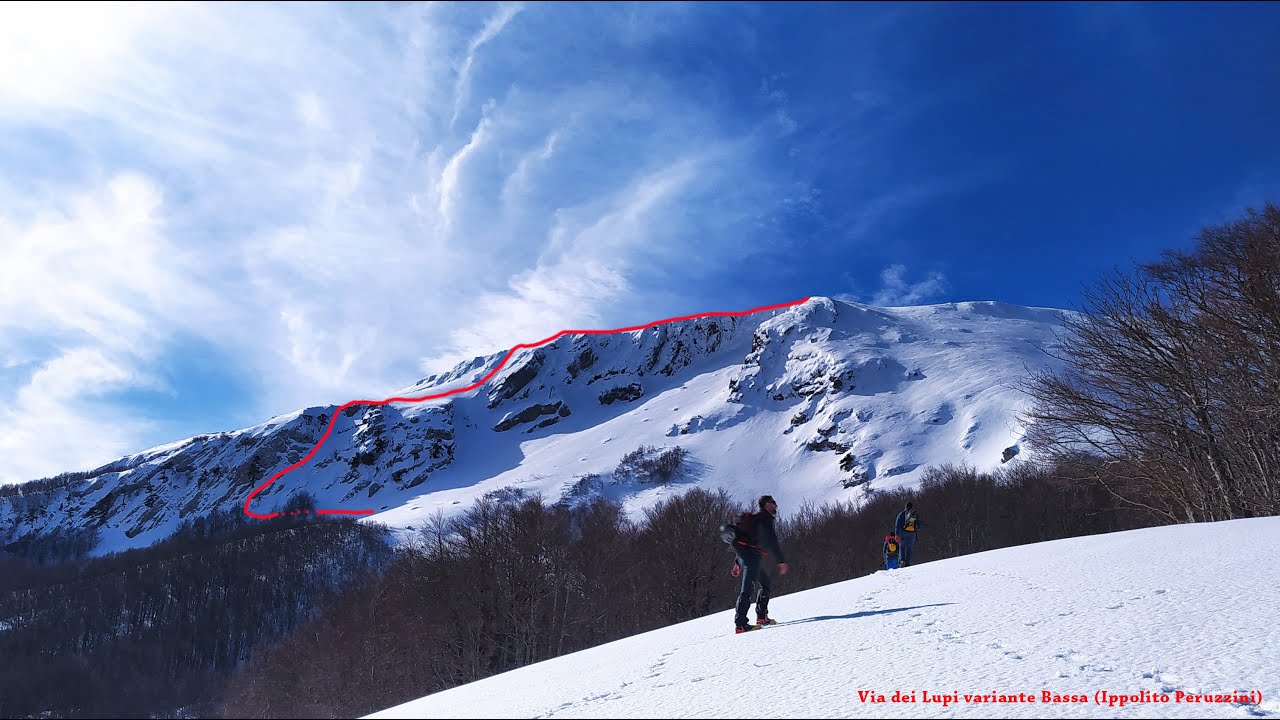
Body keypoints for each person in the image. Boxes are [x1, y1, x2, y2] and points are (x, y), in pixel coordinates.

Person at [729, 494, 789, 634]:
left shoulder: (755, 520)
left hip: (748, 556)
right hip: (752, 557)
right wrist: (781, 561)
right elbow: (772, 541)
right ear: (766, 504)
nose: (776, 505)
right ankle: (741, 624)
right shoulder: (765, 519)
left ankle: (761, 617)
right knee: (747, 589)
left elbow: (745, 541)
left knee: (765, 584)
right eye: (773, 502)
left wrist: (737, 562)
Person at [894, 501, 919, 567]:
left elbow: (897, 523)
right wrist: (916, 529)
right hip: (912, 533)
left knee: (902, 547)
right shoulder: (914, 514)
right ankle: (907, 563)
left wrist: (896, 533)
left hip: (903, 532)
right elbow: (918, 524)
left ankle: (902, 561)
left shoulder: (902, 514)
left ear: (905, 507)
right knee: (909, 548)